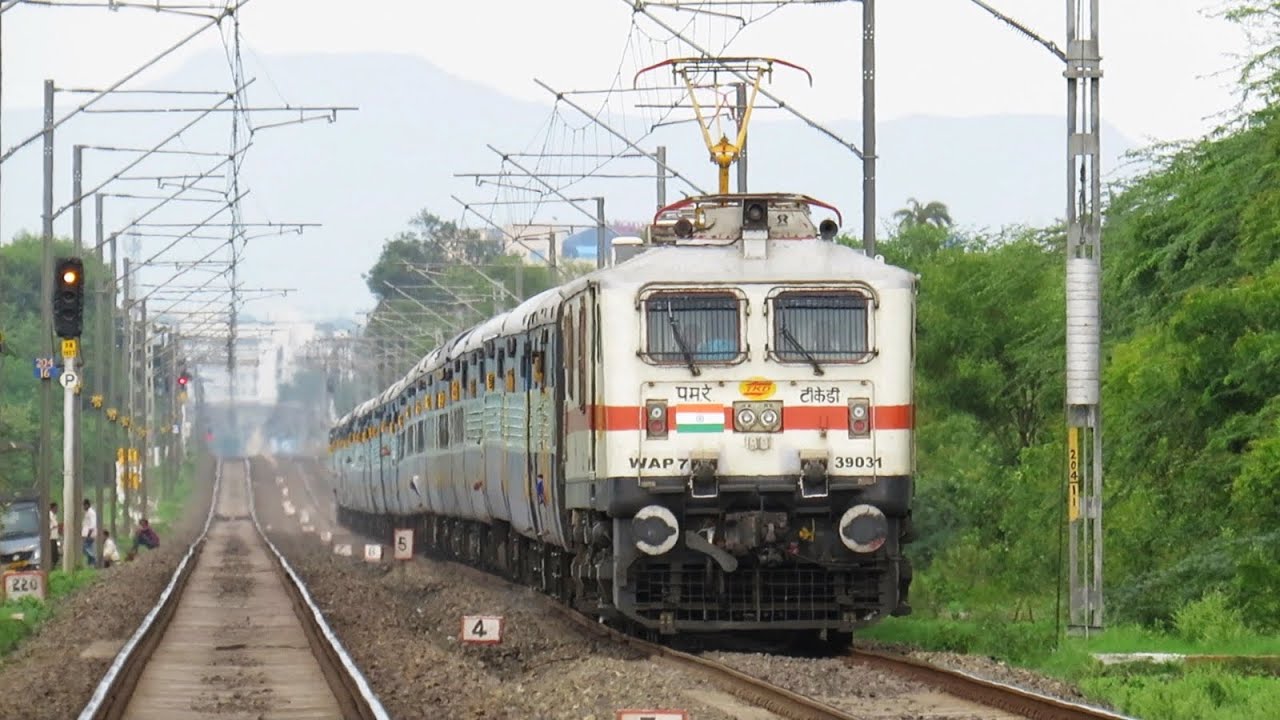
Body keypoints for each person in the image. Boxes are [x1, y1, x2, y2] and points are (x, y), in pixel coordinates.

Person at [82, 499, 97, 567]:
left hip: (90, 534)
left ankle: (94, 559)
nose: (83, 507)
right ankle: (90, 565)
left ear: (87, 505)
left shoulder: (91, 512)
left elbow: (92, 524)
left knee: (85, 548)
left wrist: (88, 534)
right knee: (89, 548)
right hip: (87, 534)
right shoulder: (87, 512)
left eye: (84, 506)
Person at [48, 502, 61, 567]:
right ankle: (52, 566)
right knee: (53, 553)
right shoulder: (49, 515)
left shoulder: (54, 515)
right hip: (51, 537)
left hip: (54, 536)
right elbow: (49, 526)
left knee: (55, 554)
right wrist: (54, 527)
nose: (57, 510)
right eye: (56, 508)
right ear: (53, 508)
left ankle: (54, 566)